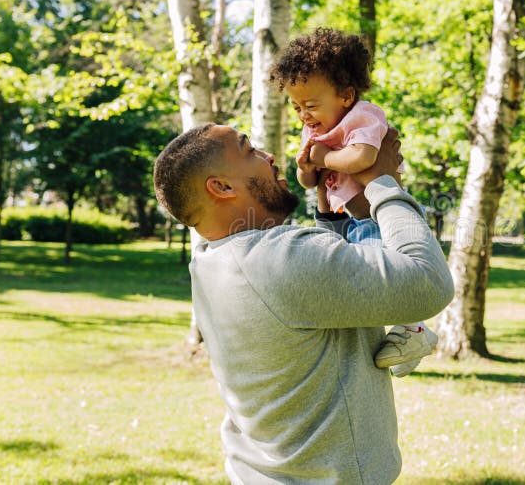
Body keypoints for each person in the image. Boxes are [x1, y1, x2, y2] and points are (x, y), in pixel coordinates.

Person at [152, 123, 453, 484]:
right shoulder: (278, 260)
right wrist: (384, 185)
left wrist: (331, 213)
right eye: (249, 151)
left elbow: (316, 295)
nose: (268, 156)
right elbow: (428, 282)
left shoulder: (211, 261)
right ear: (222, 187)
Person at [270, 27, 437, 376]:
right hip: (350, 220)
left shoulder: (363, 116)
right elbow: (309, 181)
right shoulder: (314, 129)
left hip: (378, 218)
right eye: (297, 107)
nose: (304, 115)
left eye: (310, 105)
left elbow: (363, 157)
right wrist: (307, 167)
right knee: (361, 282)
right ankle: (406, 331)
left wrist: (322, 157)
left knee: (387, 278)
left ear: (346, 96)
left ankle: (415, 331)